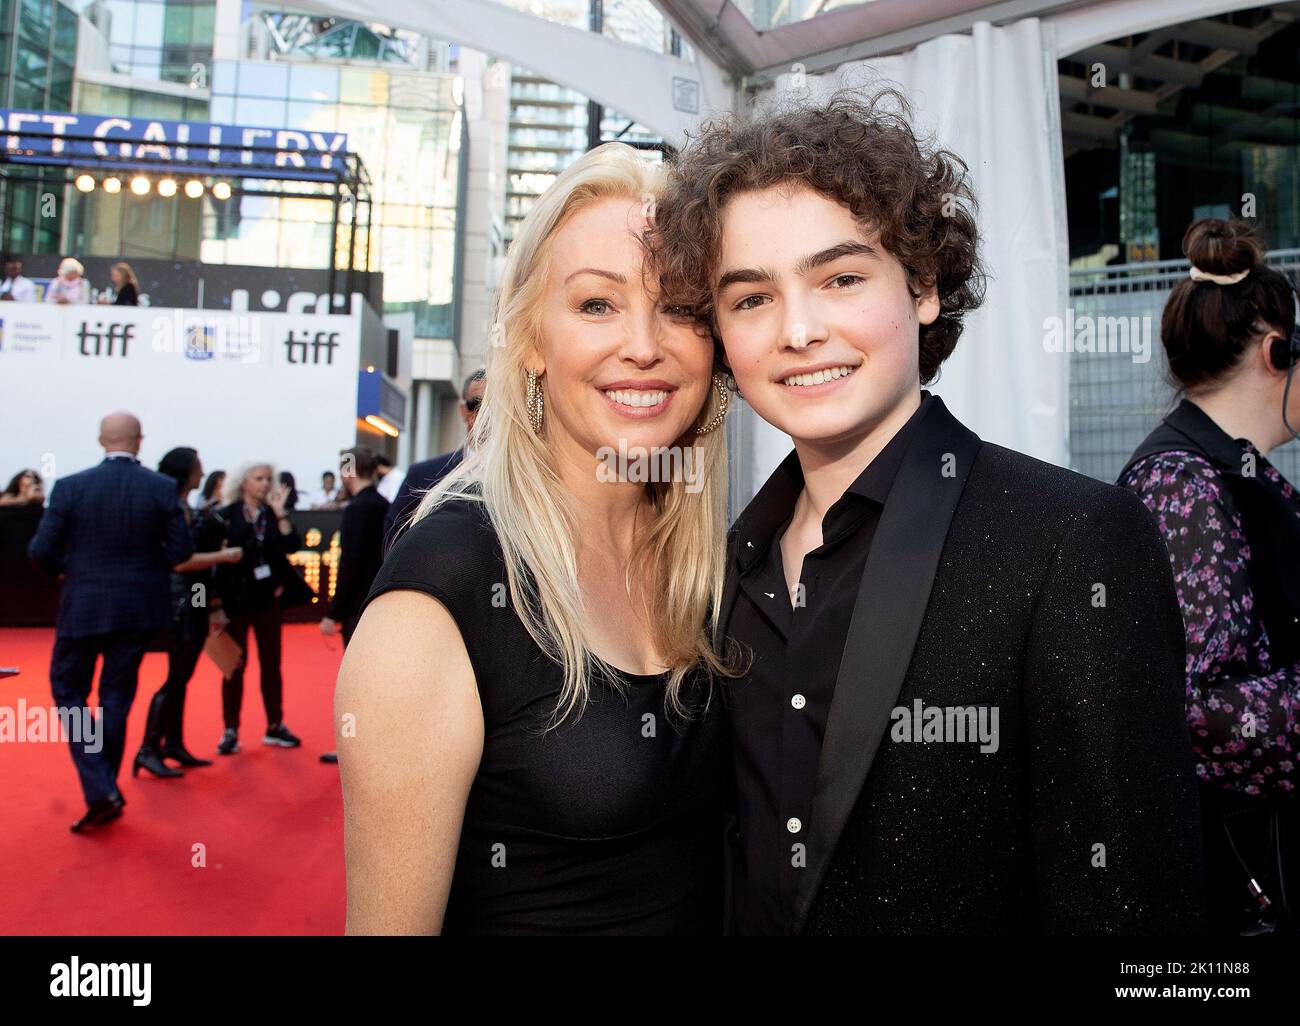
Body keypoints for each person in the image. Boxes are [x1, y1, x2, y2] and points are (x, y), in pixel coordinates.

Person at [653, 90, 1205, 935]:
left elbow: (1139, 912)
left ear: (923, 288)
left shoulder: (1071, 541)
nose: (798, 330)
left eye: (840, 278)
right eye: (753, 298)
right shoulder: (729, 567)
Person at [336, 142, 733, 934]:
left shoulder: (709, 563)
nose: (645, 345)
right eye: (597, 305)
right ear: (530, 343)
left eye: (682, 307)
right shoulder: (446, 588)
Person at [1119, 217, 1300, 935]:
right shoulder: (1184, 486)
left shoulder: (1229, 470)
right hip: (1234, 891)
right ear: (1274, 351)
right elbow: (1185, 709)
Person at [27, 412, 193, 832]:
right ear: (139, 441)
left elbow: (39, 551)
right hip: (138, 608)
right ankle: (105, 784)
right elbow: (179, 553)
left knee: (69, 691)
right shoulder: (161, 488)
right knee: (116, 695)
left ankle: (100, 786)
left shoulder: (70, 487)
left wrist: (68, 572)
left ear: (101, 439)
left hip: (82, 604)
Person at [132, 447, 243, 778]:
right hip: (181, 598)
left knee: (183, 674)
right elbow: (181, 561)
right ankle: (148, 748)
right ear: (186, 472)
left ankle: (172, 744)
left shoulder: (181, 505)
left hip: (193, 596)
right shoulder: (172, 507)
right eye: (197, 466)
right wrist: (224, 556)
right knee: (177, 675)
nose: (203, 470)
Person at [213, 462, 304, 753]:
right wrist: (213, 605)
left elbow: (292, 545)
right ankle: (230, 731)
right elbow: (213, 564)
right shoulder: (225, 516)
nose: (265, 484)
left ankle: (275, 726)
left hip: (268, 602)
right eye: (259, 478)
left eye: (268, 479)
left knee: (271, 665)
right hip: (235, 603)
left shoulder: (273, 514)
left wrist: (281, 514)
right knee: (233, 666)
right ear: (243, 482)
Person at [318, 446, 390, 763]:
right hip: (380, 601)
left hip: (357, 606)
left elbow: (350, 563)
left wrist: (334, 611)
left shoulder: (357, 509)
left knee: (355, 681)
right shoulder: (384, 504)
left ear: (348, 471)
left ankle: (353, 743)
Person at [384, 370, 485, 545]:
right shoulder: (422, 476)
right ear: (463, 411)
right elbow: (393, 538)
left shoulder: (525, 474)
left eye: (495, 405)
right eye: (476, 405)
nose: (485, 415)